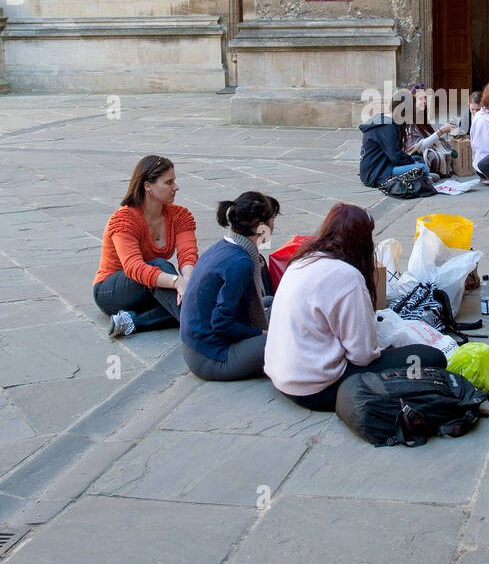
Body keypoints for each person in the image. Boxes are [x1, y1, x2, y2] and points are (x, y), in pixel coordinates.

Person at [264, 203, 446, 410]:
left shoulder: (301, 261)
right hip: (318, 389)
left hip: (281, 378)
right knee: (429, 357)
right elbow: (363, 356)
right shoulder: (347, 277)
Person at [94, 155, 198, 338]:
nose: (176, 187)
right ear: (147, 186)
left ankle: (133, 321)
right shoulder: (124, 220)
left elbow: (188, 255)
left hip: (149, 285)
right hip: (111, 290)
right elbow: (134, 267)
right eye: (169, 182)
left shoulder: (180, 216)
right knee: (162, 267)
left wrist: (187, 281)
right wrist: (176, 282)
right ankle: (200, 325)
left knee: (189, 285)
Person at [179, 192, 279, 382]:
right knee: (281, 340)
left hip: (198, 343)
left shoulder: (227, 246)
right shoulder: (240, 262)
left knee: (271, 302)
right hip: (210, 356)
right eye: (272, 220)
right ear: (261, 227)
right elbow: (221, 323)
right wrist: (259, 332)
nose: (274, 226)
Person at [358, 88, 428, 189]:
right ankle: (426, 178)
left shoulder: (385, 119)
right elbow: (395, 157)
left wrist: (412, 161)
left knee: (418, 159)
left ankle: (424, 176)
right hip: (376, 174)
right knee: (423, 167)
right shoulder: (387, 126)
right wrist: (412, 162)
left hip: (382, 165)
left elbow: (395, 154)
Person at [402, 84, 455, 176]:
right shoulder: (407, 120)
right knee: (434, 156)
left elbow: (429, 137)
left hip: (424, 150)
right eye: (421, 99)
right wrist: (440, 131)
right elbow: (418, 147)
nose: (425, 101)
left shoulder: (420, 116)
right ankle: (428, 173)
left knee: (449, 147)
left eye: (425, 98)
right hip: (413, 156)